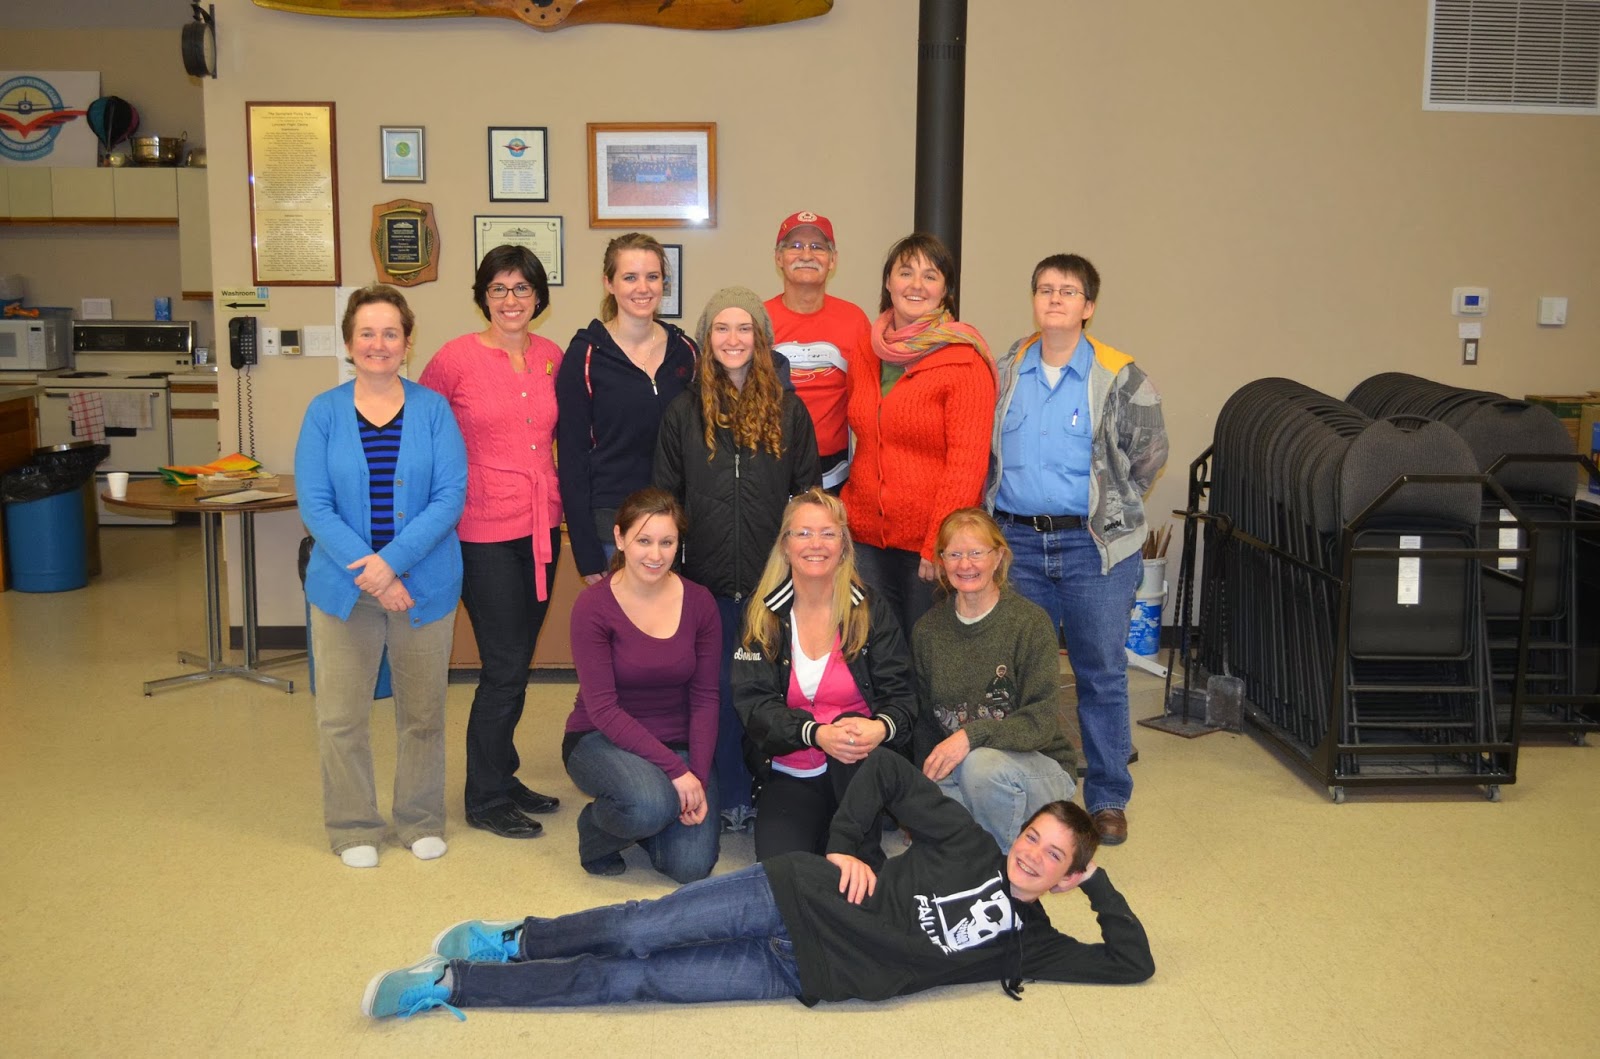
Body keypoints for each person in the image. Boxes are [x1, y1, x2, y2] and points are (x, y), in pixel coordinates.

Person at [360, 750, 1153, 1018]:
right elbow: (880, 768)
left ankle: (458, 982)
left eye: (1052, 858)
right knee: (640, 925)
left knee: (639, 984)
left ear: (1062, 876)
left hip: (799, 971)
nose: (1032, 856)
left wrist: (1100, 884)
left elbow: (1132, 964)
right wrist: (850, 847)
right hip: (796, 892)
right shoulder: (969, 839)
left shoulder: (1034, 944)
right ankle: (516, 937)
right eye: (1033, 838)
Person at [986, 254, 1168, 846]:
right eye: (1045, 289)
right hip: (1017, 543)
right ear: (1033, 300)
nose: (1055, 299)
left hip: (1093, 547)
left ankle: (1109, 797)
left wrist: (1110, 507)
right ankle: (1038, 789)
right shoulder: (1007, 368)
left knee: (1101, 673)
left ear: (1088, 307)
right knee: (1022, 675)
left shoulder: (1121, 376)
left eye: (1068, 292)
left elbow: (1149, 457)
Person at [295, 284, 467, 868]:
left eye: (390, 332)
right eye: (366, 332)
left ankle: (419, 819)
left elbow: (448, 498)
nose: (378, 343)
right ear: (349, 342)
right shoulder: (323, 412)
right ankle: (353, 827)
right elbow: (316, 507)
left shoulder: (433, 410)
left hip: (424, 585)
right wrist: (374, 575)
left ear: (407, 342)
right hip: (343, 592)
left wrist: (392, 565)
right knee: (342, 717)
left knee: (422, 714)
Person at [654, 286, 821, 831]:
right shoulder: (682, 412)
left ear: (762, 339)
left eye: (744, 328)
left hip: (771, 582)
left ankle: (780, 789)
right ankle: (730, 795)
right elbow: (666, 499)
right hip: (705, 583)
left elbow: (807, 495)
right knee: (720, 690)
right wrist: (672, 574)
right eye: (721, 328)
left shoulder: (790, 411)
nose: (733, 339)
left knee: (774, 689)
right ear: (706, 339)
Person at [418, 244, 564, 841]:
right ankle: (484, 797)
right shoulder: (454, 359)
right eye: (499, 289)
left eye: (522, 289)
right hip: (479, 531)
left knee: (519, 664)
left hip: (540, 526)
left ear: (538, 297)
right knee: (504, 666)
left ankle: (503, 775)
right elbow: (423, 434)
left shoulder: (553, 356)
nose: (511, 300)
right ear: (483, 296)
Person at [732, 489, 917, 862]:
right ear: (785, 546)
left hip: (857, 770)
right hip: (791, 770)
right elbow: (754, 706)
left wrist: (879, 728)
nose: (815, 544)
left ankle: (858, 850)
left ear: (844, 546)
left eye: (828, 533)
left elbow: (904, 699)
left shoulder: (871, 610)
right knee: (784, 875)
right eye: (803, 533)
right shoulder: (761, 614)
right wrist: (816, 733)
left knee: (854, 872)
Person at [841, 232, 997, 641]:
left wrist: (939, 543)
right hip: (866, 539)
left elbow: (967, 463)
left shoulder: (964, 360)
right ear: (888, 283)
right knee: (874, 651)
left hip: (925, 547)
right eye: (905, 272)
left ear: (946, 290)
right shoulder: (865, 351)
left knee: (925, 654)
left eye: (930, 276)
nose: (916, 285)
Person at [561, 488, 721, 881]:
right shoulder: (593, 606)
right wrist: (675, 775)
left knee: (691, 868)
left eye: (667, 542)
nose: (656, 555)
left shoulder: (700, 602)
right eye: (643, 541)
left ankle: (651, 816)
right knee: (648, 805)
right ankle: (598, 828)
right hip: (601, 737)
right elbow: (603, 709)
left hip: (677, 739)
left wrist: (697, 776)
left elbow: (705, 698)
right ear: (619, 538)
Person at [912, 508, 1078, 850]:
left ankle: (999, 871)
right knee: (920, 803)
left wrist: (971, 736)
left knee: (979, 766)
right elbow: (925, 723)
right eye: (954, 554)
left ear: (998, 556)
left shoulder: (1029, 623)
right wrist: (920, 792)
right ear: (941, 561)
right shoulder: (927, 630)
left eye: (977, 553)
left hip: (1037, 765)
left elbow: (1040, 722)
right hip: (962, 767)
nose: (965, 565)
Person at [556, 232, 698, 586]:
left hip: (673, 526)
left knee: (669, 635)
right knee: (622, 637)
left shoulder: (686, 352)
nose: (642, 287)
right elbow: (572, 458)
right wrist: (586, 552)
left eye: (652, 276)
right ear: (609, 283)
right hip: (611, 530)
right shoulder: (585, 356)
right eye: (630, 277)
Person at [764, 210, 871, 491]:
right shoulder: (757, 320)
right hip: (768, 465)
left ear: (832, 260)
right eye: (795, 246)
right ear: (779, 258)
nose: (806, 254)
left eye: (817, 247)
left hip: (835, 473)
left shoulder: (855, 320)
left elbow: (870, 401)